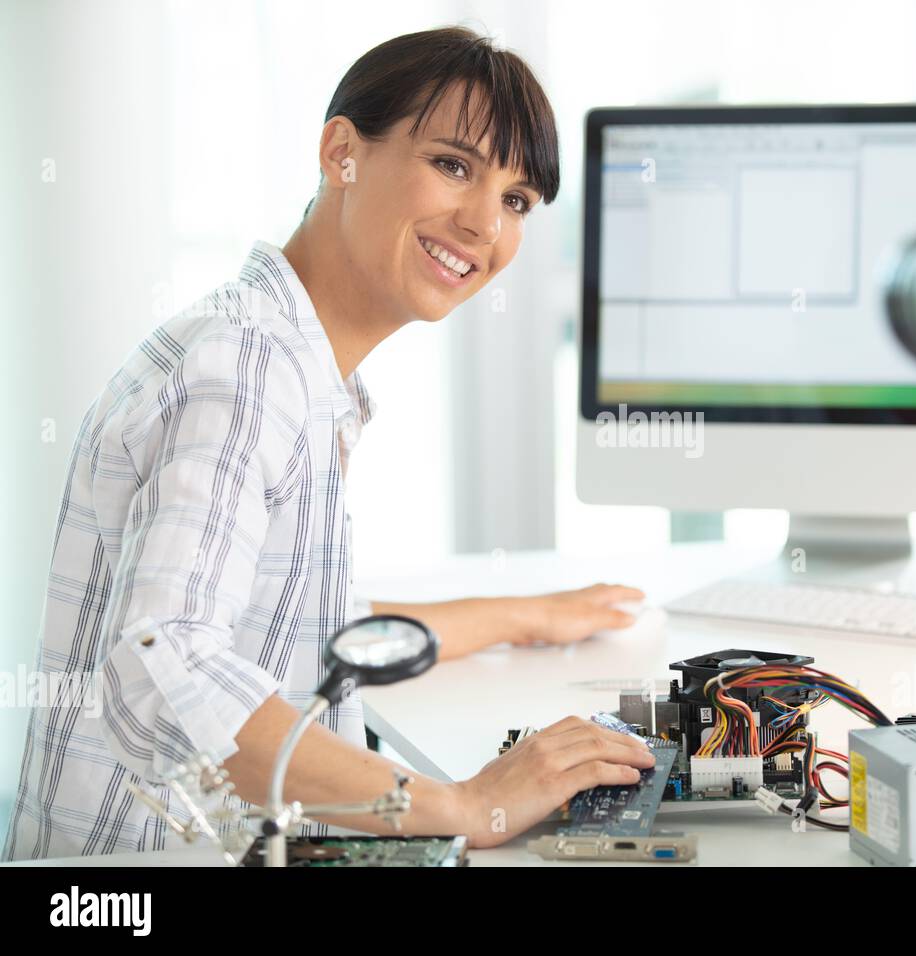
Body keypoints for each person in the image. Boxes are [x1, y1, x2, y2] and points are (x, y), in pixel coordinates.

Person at [3, 26, 655, 861]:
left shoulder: (289, 360)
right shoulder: (245, 368)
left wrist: (525, 616)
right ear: (342, 152)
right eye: (454, 165)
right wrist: (462, 804)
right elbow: (165, 673)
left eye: (518, 199)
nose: (485, 223)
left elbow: (294, 627)